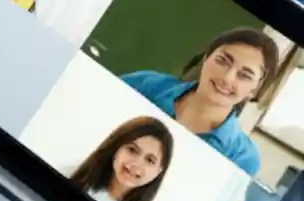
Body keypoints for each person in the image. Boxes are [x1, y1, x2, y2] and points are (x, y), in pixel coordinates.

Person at [120, 27, 281, 177]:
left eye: (245, 75)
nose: (227, 78)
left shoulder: (242, 158)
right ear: (206, 58)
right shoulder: (145, 84)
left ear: (255, 90)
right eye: (223, 61)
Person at [67, 116, 174, 201]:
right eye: (132, 150)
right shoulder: (68, 175)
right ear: (116, 146)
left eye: (150, 160)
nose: (137, 164)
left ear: (159, 171)